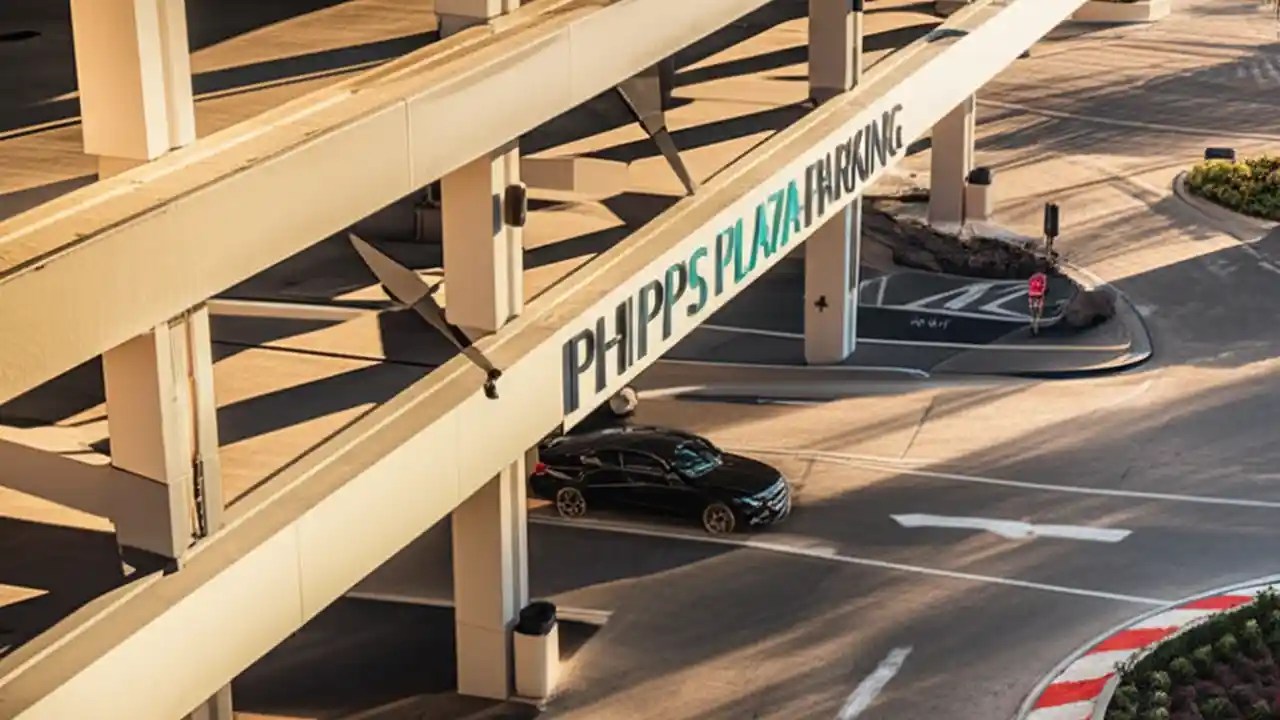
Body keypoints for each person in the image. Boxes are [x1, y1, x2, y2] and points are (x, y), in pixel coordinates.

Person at [1027, 270, 1048, 335]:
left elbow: (1029, 284)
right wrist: (1043, 293)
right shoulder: (1043, 276)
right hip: (1039, 295)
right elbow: (1044, 286)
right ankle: (1036, 328)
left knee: (1032, 313)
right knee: (1039, 313)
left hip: (1032, 294)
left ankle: (1032, 325)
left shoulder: (1032, 277)